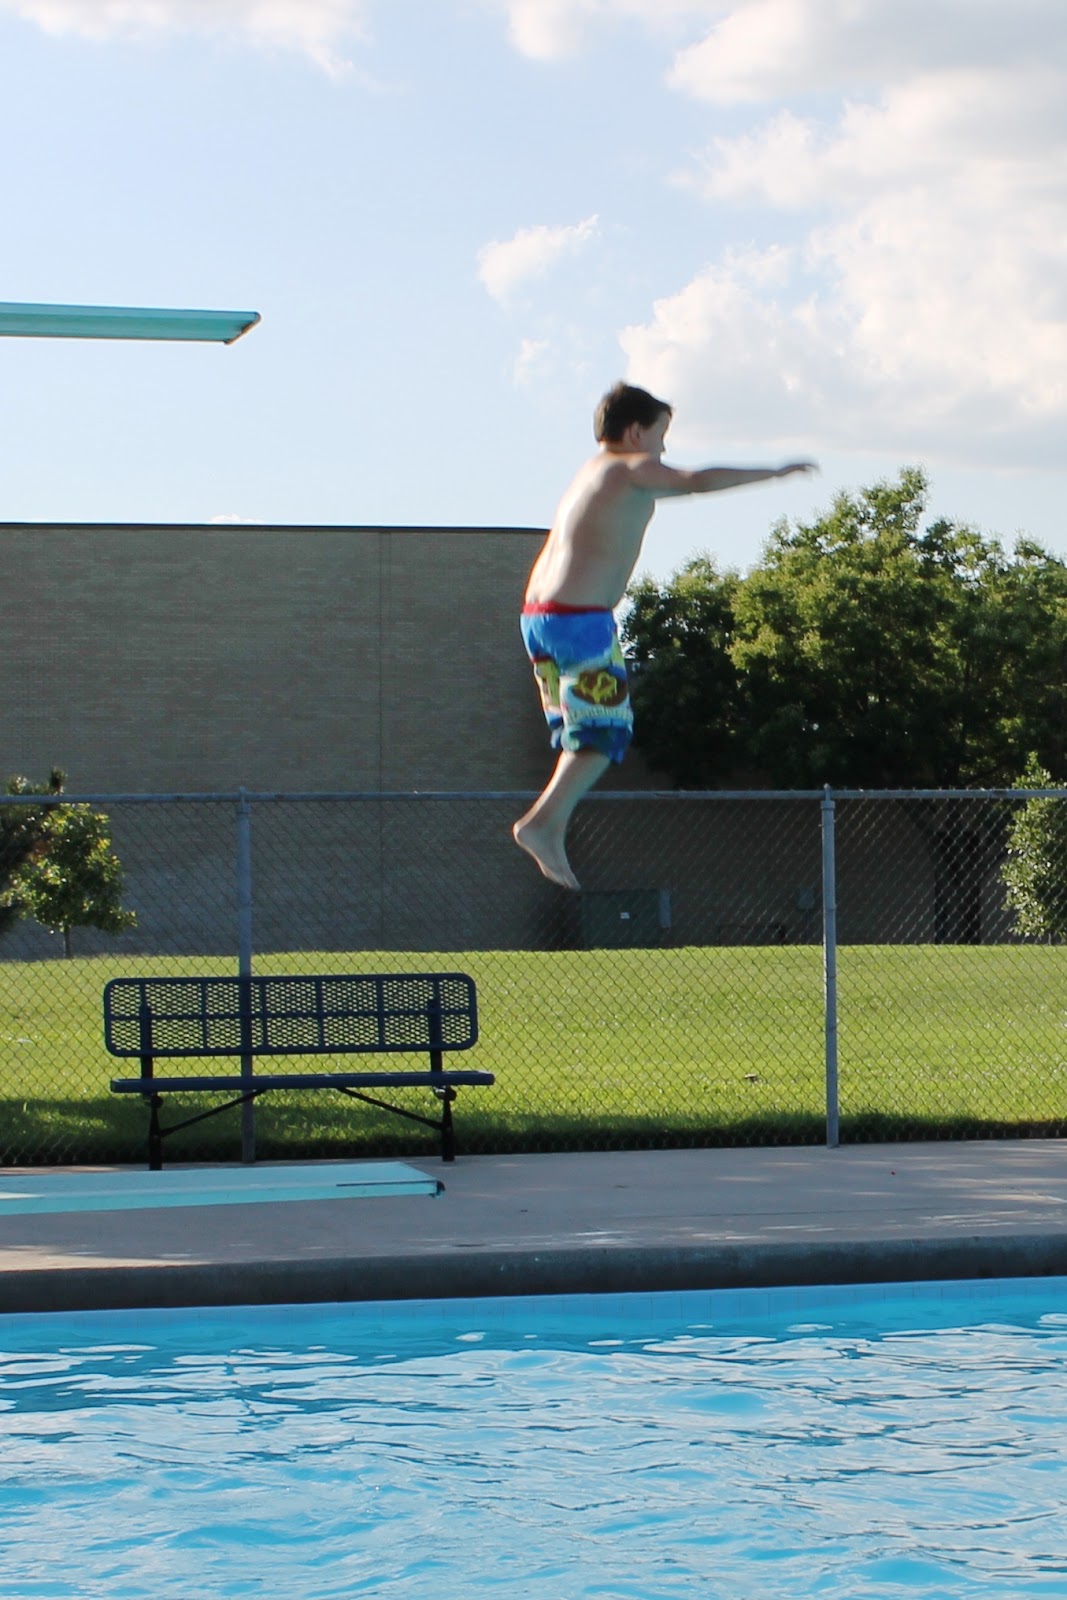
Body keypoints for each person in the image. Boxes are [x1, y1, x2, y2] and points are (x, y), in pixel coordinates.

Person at [513, 381, 817, 890]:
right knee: (605, 732)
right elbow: (696, 480)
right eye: (660, 437)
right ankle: (543, 824)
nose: (663, 450)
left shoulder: (590, 473)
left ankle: (548, 820)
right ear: (634, 431)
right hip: (579, 623)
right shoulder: (628, 468)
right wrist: (776, 472)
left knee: (575, 732)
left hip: (540, 621)